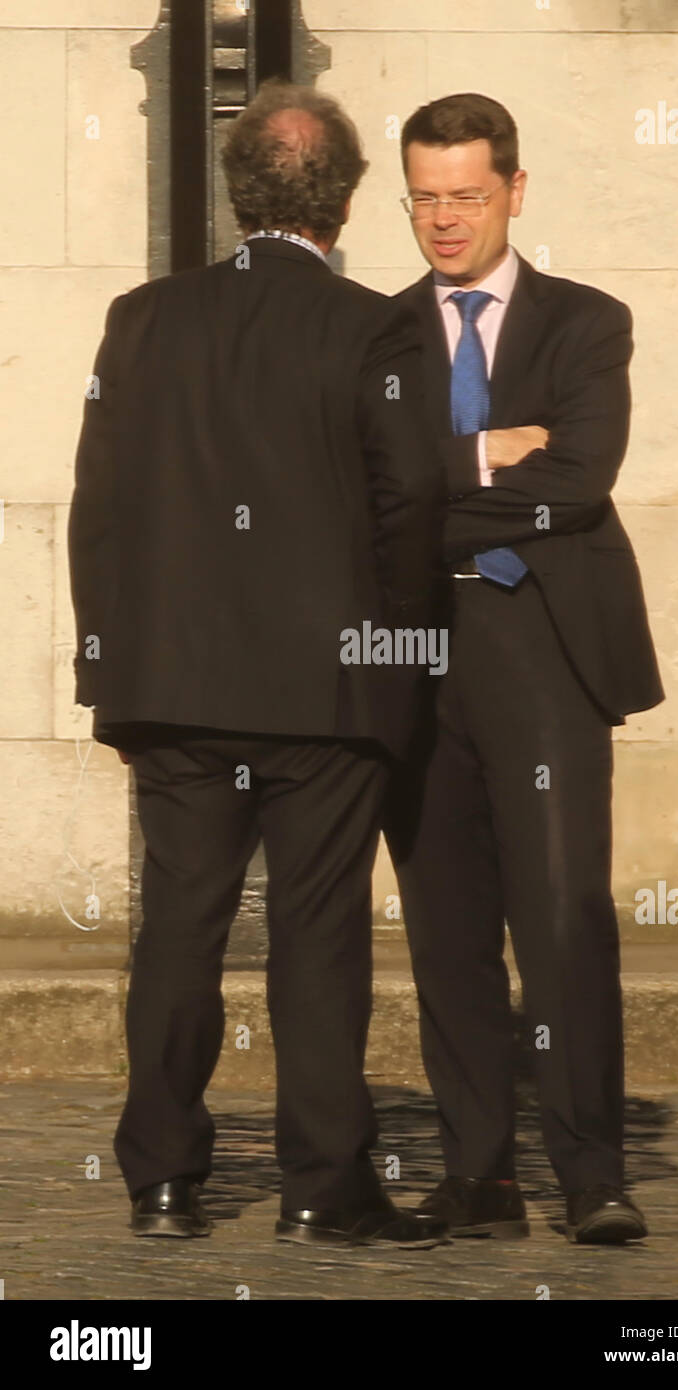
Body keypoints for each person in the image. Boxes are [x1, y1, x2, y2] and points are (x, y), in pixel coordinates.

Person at [67, 79, 448, 1251]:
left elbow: (98, 509)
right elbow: (411, 506)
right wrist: (398, 656)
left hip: (174, 685)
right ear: (346, 197)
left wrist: (109, 663)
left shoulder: (144, 318)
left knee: (177, 929)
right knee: (317, 931)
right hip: (326, 691)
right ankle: (320, 1185)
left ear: (240, 195)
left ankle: (166, 1181)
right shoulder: (381, 325)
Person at [384, 93, 666, 1244]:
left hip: (543, 649)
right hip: (411, 658)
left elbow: (580, 483)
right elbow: (356, 499)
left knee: (560, 916)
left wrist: (425, 492)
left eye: (467, 194)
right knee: (445, 928)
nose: (445, 221)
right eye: (424, 198)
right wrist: (475, 454)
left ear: (515, 189)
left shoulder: (587, 323)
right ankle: (480, 1178)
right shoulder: (378, 334)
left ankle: (592, 1173)